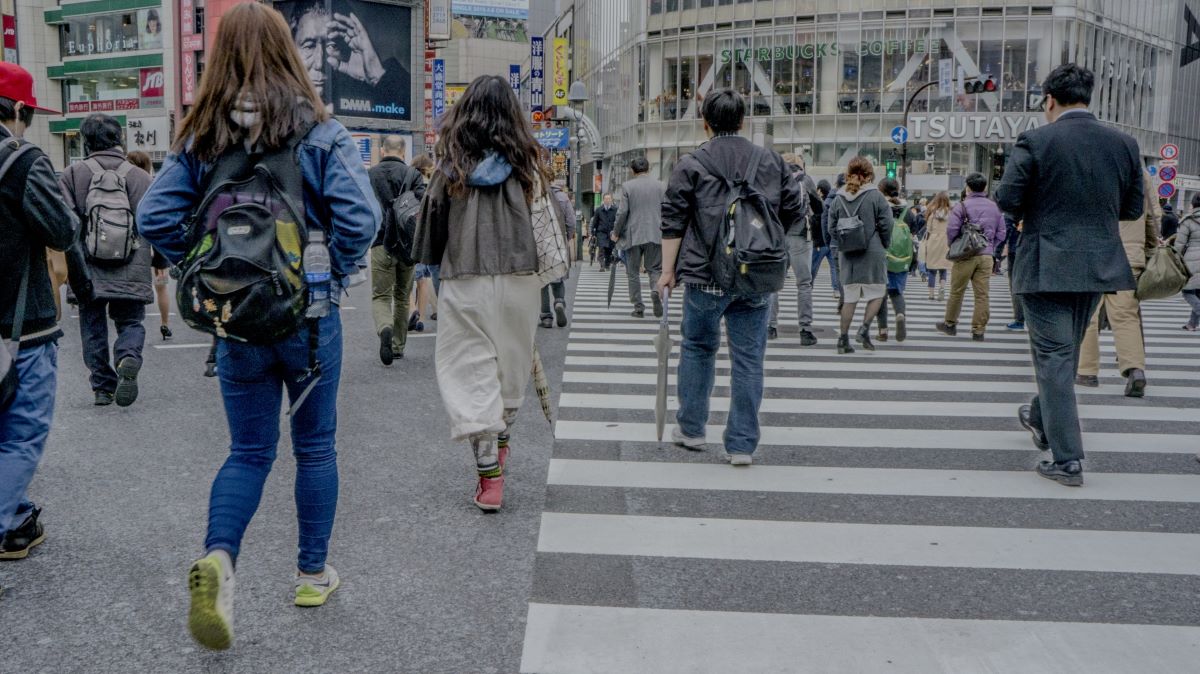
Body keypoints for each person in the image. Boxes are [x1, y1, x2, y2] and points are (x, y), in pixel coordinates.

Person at [136, 2, 380, 649]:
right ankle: (311, 575)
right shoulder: (318, 131)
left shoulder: (202, 137)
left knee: (248, 451)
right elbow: (362, 220)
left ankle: (219, 559)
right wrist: (330, 272)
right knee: (316, 446)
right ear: (288, 53)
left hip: (235, 319)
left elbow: (153, 217)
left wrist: (202, 266)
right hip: (309, 318)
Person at [997, 63, 1143, 487]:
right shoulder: (1124, 143)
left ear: (1049, 100)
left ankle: (1067, 459)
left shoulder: (1036, 140)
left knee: (1055, 357)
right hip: (1098, 264)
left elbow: (1008, 198)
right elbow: (1132, 208)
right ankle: (1041, 417)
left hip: (1046, 263)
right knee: (1065, 352)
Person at [413, 74, 549, 511]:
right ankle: (502, 440)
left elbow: (430, 230)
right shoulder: (528, 164)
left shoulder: (450, 165)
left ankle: (490, 480)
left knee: (471, 374)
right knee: (510, 371)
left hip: (466, 277)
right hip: (521, 280)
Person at [658, 89, 805, 466]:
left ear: (705, 122)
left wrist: (668, 271)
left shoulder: (691, 163)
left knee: (697, 347)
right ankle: (741, 444)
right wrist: (765, 240)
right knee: (749, 357)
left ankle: (692, 428)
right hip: (756, 272)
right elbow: (794, 209)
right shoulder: (771, 160)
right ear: (743, 121)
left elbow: (673, 219)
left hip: (704, 273)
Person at [0, 62, 80, 561]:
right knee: (22, 434)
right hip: (20, 326)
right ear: (18, 108)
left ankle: (18, 519)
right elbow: (62, 230)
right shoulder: (22, 160)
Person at [58, 114, 154, 407]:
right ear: (119, 139)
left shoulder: (72, 174)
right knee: (131, 320)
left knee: (92, 327)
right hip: (132, 264)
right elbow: (154, 223)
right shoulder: (141, 177)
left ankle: (102, 387)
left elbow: (63, 223)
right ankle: (127, 356)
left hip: (87, 267)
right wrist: (162, 261)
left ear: (85, 141)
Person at [1076, 171, 1159, 395]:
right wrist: (1149, 250)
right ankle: (1135, 370)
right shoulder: (1139, 172)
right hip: (1128, 256)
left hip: (1091, 253)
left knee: (1089, 315)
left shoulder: (1088, 164)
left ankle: (1086, 371)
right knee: (1126, 315)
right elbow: (1152, 216)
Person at [367, 134, 425, 365]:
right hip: (407, 246)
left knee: (381, 296)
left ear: (383, 150)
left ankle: (385, 328)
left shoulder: (370, 175)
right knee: (402, 296)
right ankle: (398, 345)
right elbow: (423, 208)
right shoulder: (413, 175)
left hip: (381, 242)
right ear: (403, 152)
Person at [830, 157, 892, 353]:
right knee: (878, 291)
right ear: (869, 175)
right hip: (872, 250)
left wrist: (843, 242)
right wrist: (884, 243)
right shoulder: (876, 196)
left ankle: (843, 340)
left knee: (850, 297)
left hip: (848, 254)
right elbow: (887, 224)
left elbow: (831, 227)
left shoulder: (838, 198)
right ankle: (864, 329)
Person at [935, 172, 1005, 341]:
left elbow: (952, 229)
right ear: (985, 188)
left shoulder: (962, 206)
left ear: (968, 187)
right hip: (986, 255)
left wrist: (954, 246)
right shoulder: (994, 207)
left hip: (965, 255)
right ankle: (978, 330)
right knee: (982, 294)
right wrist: (991, 246)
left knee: (957, 291)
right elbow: (1001, 232)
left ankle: (950, 324)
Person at [768, 153, 820, 344]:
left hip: (777, 237)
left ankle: (771, 327)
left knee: (774, 284)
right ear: (799, 164)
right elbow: (819, 206)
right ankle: (805, 330)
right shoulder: (805, 180)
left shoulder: (774, 179)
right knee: (804, 284)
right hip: (800, 236)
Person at [126, 150, 174, 341]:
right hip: (156, 243)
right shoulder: (153, 185)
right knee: (161, 285)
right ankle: (165, 323)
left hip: (130, 244)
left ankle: (130, 322)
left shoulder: (124, 183)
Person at [613, 156, 665, 318]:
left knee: (633, 272)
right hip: (656, 232)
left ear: (632, 170)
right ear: (648, 169)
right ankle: (655, 290)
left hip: (633, 235)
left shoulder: (628, 186)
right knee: (654, 269)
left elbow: (622, 212)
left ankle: (638, 307)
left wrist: (616, 232)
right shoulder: (661, 186)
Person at [875, 178, 913, 342]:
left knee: (880, 294)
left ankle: (883, 331)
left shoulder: (880, 207)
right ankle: (900, 314)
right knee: (896, 292)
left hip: (883, 254)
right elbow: (914, 230)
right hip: (902, 257)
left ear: (880, 190)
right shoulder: (906, 210)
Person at [541, 178, 575, 328]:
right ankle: (559, 302)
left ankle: (546, 316)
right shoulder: (563, 197)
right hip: (558, 242)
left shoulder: (538, 196)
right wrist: (568, 237)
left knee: (542, 281)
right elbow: (571, 222)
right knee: (558, 277)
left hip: (541, 243)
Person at [922, 191, 952, 301]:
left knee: (932, 269)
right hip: (945, 241)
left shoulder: (932, 214)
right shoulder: (951, 214)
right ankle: (942, 288)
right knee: (943, 268)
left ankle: (931, 294)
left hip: (933, 241)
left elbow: (928, 230)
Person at [820, 173, 845, 299]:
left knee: (837, 268)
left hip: (835, 241)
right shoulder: (853, 197)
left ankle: (841, 295)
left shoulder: (829, 200)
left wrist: (828, 240)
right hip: (852, 241)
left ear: (836, 184)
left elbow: (825, 223)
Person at [1177, 199, 1200, 332]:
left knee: (1187, 291)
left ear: (1193, 205)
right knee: (1198, 292)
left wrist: (1175, 259)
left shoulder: (1188, 221)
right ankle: (1192, 324)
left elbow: (1179, 244)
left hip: (1192, 260)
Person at [810, 178, 835, 292]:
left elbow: (815, 223)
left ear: (820, 190)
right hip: (831, 241)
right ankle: (836, 289)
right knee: (834, 267)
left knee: (813, 266)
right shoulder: (833, 203)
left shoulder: (819, 205)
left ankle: (809, 285)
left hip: (820, 242)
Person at [1004, 215, 1026, 331]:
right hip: (1037, 249)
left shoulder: (1013, 211)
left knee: (1015, 284)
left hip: (1016, 249)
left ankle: (1019, 320)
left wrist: (997, 254)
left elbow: (1006, 231)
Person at [591, 192, 617, 270]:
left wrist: (617, 232)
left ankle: (607, 264)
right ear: (603, 200)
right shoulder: (599, 210)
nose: (607, 200)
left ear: (611, 200)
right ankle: (602, 265)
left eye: (609, 199)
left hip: (611, 233)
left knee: (609, 249)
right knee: (601, 248)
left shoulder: (615, 209)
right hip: (601, 232)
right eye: (606, 199)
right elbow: (595, 222)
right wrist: (593, 232)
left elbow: (618, 221)